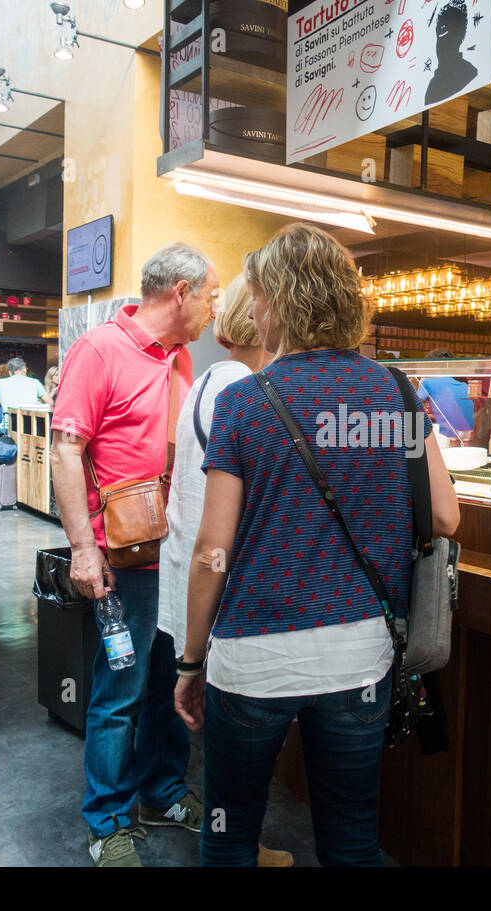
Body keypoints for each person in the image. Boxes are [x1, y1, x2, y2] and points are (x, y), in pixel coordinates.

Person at [174, 223, 460, 867]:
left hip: (252, 656)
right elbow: (446, 516)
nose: (256, 311)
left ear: (283, 300)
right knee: (353, 838)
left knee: (228, 836)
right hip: (359, 657)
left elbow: (211, 550)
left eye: (262, 298)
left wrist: (191, 663)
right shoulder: (395, 391)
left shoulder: (246, 403)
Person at [50, 241, 220, 868]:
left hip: (175, 558)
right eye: (211, 293)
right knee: (119, 693)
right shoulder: (98, 350)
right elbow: (67, 449)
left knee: (170, 685)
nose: (214, 306)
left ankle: (162, 792)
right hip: (122, 561)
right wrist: (82, 547)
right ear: (181, 291)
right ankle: (107, 821)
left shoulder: (178, 359)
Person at [155, 274, 290, 868]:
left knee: (212, 734)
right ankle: (238, 845)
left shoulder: (207, 377)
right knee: (225, 741)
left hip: (186, 569)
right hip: (217, 584)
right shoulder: (242, 387)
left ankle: (228, 837)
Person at [425, 0, 479, 106]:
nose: (443, 40)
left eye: (448, 32)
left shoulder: (468, 73)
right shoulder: (434, 83)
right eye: (440, 28)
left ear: (461, 36)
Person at [417, 348, 475, 442]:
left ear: (433, 367)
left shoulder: (428, 382)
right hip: (467, 437)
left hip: (446, 437)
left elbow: (416, 408)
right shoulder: (464, 383)